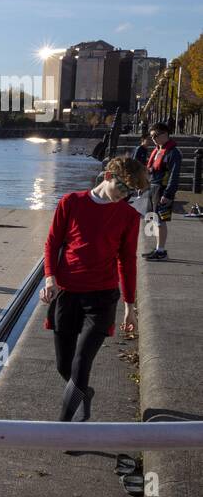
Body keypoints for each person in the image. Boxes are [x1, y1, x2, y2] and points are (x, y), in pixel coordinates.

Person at [41, 156, 148, 422]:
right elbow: (53, 244)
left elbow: (127, 261)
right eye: (123, 188)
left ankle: (66, 429)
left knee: (81, 362)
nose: (125, 196)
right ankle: (84, 394)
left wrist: (129, 306)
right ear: (109, 177)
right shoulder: (71, 202)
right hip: (67, 293)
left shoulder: (128, 216)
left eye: (130, 192)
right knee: (63, 366)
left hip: (102, 298)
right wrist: (49, 278)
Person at [143, 122, 181, 262]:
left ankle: (161, 251)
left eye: (155, 136)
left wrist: (168, 194)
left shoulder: (173, 152)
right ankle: (158, 247)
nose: (152, 139)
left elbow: (174, 175)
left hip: (162, 189)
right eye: (151, 136)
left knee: (161, 221)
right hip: (153, 187)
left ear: (165, 134)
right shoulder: (158, 150)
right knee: (155, 219)